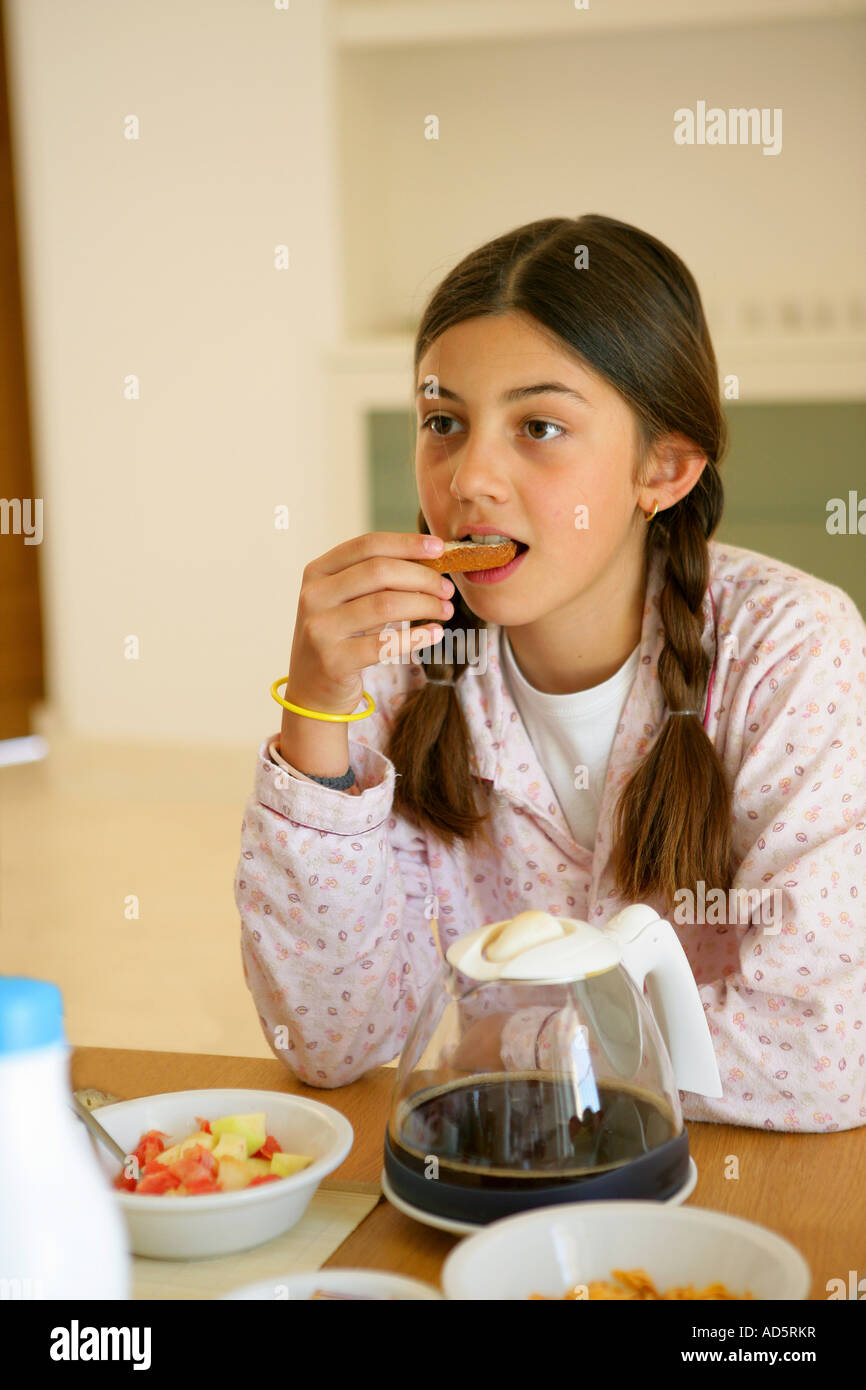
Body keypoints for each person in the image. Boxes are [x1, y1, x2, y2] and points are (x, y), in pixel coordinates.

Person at [234, 214, 866, 1133]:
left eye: (539, 425)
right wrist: (319, 714)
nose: (471, 478)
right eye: (444, 422)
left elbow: (824, 1056)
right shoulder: (407, 669)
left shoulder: (795, 647)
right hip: (506, 1176)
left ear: (667, 466)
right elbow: (332, 1042)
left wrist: (512, 1050)